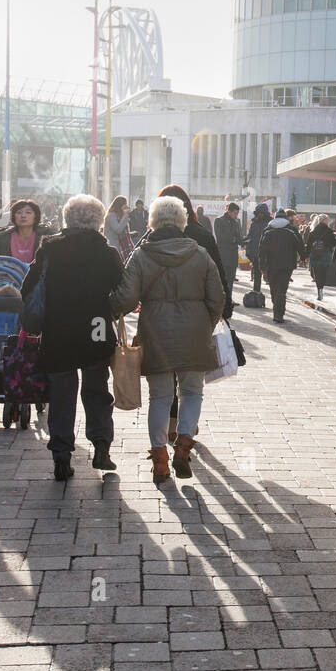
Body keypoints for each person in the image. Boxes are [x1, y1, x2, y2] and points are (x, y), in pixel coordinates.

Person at [111, 196, 224, 484]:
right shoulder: (199, 254)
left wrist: (108, 309)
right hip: (195, 332)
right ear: (182, 221)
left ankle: (160, 462)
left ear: (152, 222)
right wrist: (205, 325)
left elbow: (126, 298)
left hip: (156, 333)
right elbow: (218, 298)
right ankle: (184, 449)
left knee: (160, 397)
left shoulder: (141, 255)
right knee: (193, 392)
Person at [22, 195, 123, 481]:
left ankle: (62, 457)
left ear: (68, 218)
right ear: (98, 219)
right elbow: (122, 289)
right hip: (97, 327)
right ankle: (101, 445)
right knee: (97, 390)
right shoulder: (106, 251)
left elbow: (28, 286)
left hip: (58, 329)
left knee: (62, 394)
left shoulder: (50, 248)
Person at [158, 185, 231, 319]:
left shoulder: (151, 239)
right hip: (197, 316)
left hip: (156, 318)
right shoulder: (203, 235)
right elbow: (218, 275)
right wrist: (225, 310)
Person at [258, 207, 308, 322]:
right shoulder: (291, 230)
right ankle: (279, 313)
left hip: (271, 265)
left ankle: (277, 308)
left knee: (274, 288)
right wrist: (304, 257)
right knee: (282, 289)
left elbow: (261, 250)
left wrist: (262, 267)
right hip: (287, 265)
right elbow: (299, 245)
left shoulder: (268, 230)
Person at [0, 199, 54, 264]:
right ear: (13, 217)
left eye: (28, 212)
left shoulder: (47, 237)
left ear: (36, 217)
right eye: (19, 212)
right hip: (8, 277)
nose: (23, 216)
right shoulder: (4, 237)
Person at [306, 214, 336, 301]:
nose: (328, 221)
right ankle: (321, 288)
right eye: (327, 220)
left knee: (317, 274)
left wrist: (306, 256)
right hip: (326, 255)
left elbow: (308, 245)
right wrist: (328, 245)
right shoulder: (329, 231)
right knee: (323, 273)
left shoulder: (313, 231)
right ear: (323, 220)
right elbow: (335, 243)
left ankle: (319, 290)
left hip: (314, 255)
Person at [214, 202, 243, 297]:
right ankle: (222, 298)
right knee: (223, 278)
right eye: (235, 213)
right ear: (229, 211)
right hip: (223, 255)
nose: (236, 215)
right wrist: (233, 239)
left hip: (233, 255)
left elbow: (238, 237)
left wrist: (243, 241)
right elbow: (220, 237)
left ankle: (229, 298)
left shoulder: (236, 222)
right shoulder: (219, 220)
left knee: (231, 278)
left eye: (237, 213)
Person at [245, 203, 273, 293]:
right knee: (257, 274)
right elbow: (250, 237)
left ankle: (275, 295)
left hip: (268, 253)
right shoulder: (254, 224)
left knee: (270, 275)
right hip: (256, 253)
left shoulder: (271, 223)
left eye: (261, 213)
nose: (259, 214)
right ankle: (256, 293)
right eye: (258, 213)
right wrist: (248, 251)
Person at [104, 195, 134, 263]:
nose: (126, 206)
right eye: (125, 204)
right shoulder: (111, 215)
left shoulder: (120, 216)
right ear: (119, 205)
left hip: (123, 246)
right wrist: (126, 215)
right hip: (114, 247)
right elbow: (118, 230)